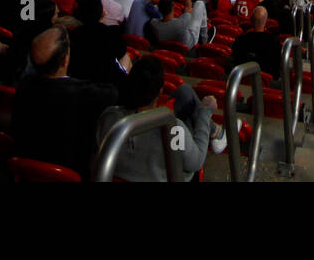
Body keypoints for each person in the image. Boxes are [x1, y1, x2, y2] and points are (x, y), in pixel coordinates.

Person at [11, 27, 121, 179]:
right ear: (65, 59)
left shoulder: (24, 87)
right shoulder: (88, 94)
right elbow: (114, 93)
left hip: (26, 173)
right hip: (70, 173)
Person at [93, 56, 223, 181]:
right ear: (160, 91)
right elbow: (196, 162)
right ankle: (217, 132)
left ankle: (216, 132)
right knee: (191, 112)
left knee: (185, 93)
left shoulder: (109, 117)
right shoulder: (172, 128)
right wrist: (206, 114)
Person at [230, 6, 282, 78]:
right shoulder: (274, 43)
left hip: (241, 80)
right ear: (266, 22)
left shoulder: (240, 40)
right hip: (266, 84)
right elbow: (276, 70)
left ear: (251, 20)